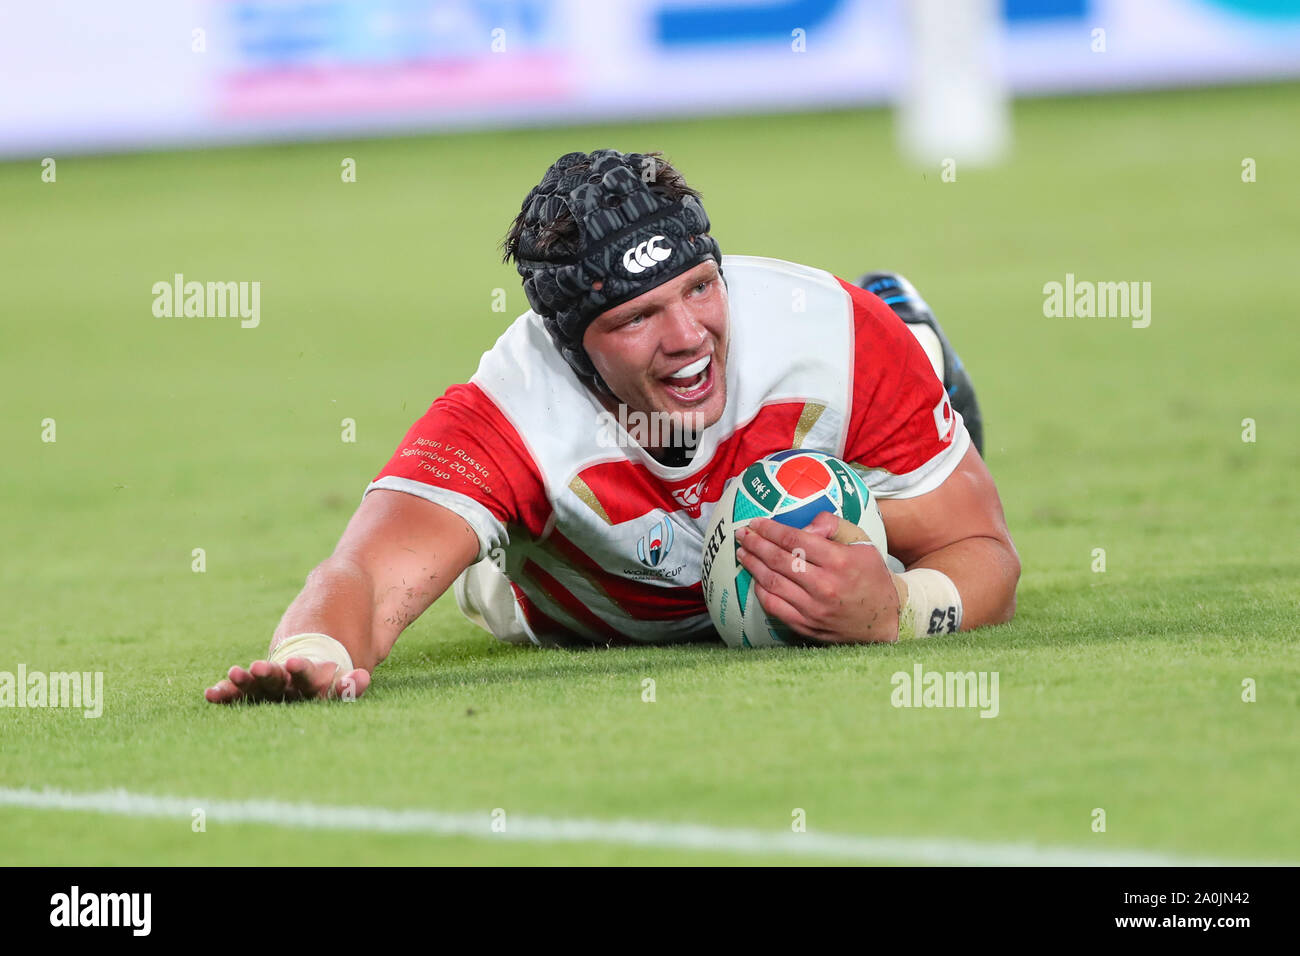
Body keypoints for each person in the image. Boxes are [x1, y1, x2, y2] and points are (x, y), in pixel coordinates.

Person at [205, 148, 1019, 704]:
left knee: (916, 469)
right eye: (637, 318)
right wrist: (312, 657)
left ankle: (922, 347)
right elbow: (362, 577)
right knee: (485, 592)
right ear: (572, 343)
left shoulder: (833, 333)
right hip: (574, 613)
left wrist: (896, 613)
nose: (688, 336)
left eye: (701, 288)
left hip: (848, 430)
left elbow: (986, 555)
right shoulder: (511, 414)